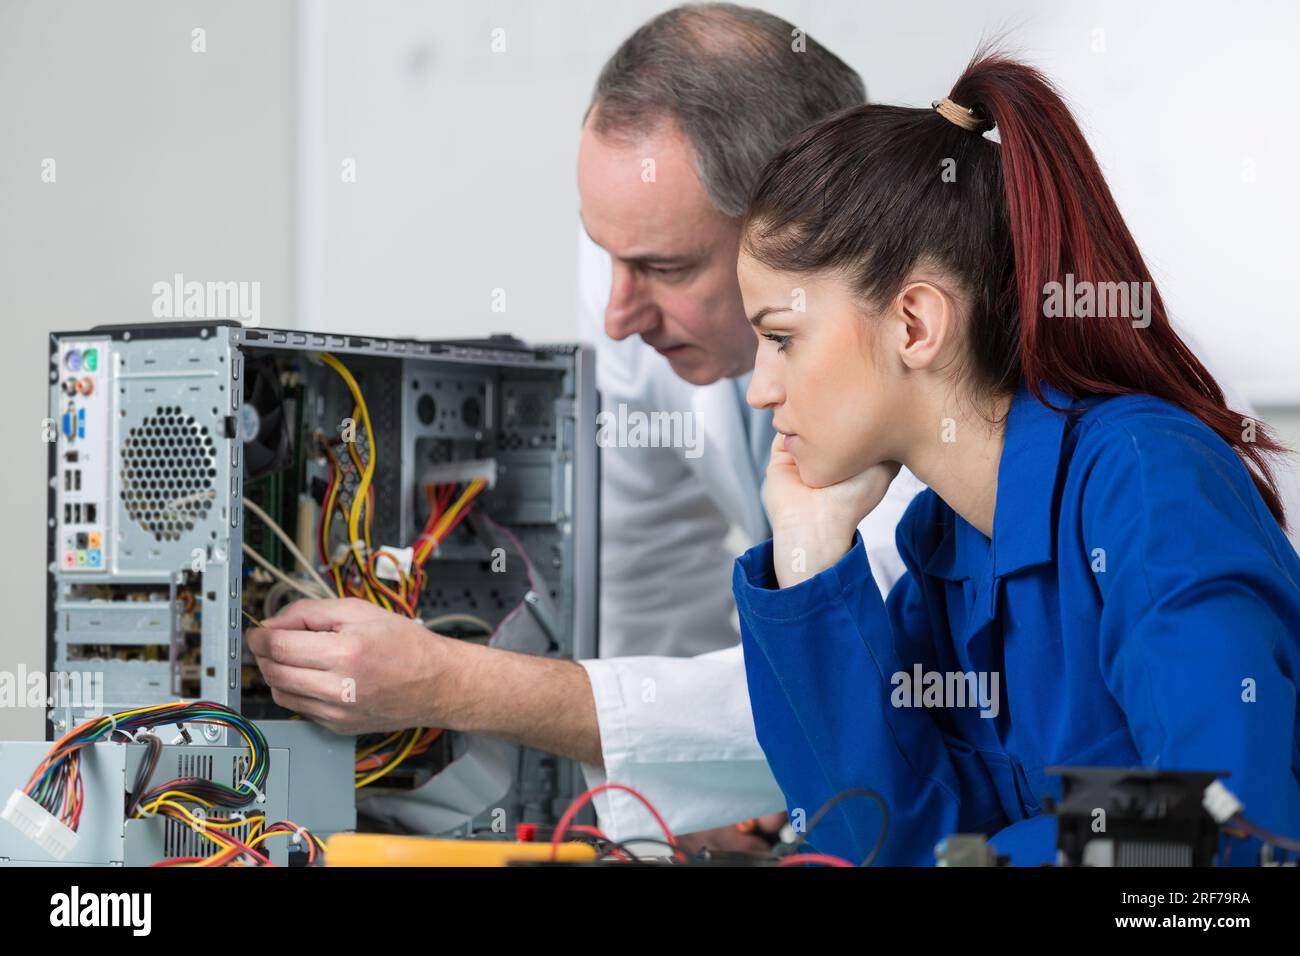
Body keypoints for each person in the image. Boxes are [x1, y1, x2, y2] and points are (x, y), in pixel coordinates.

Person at [249, 4, 924, 848]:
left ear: (805, 230)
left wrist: (453, 682)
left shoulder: (932, 370)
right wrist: (681, 801)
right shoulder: (640, 253)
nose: (615, 314)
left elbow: (871, 676)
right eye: (604, 253)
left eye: (664, 268)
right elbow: (645, 593)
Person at [731, 50, 1300, 866]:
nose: (760, 390)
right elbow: (880, 840)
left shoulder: (1145, 480)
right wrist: (810, 555)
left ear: (915, 325)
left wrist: (987, 855)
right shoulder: (945, 540)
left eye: (782, 338)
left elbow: (1222, 830)